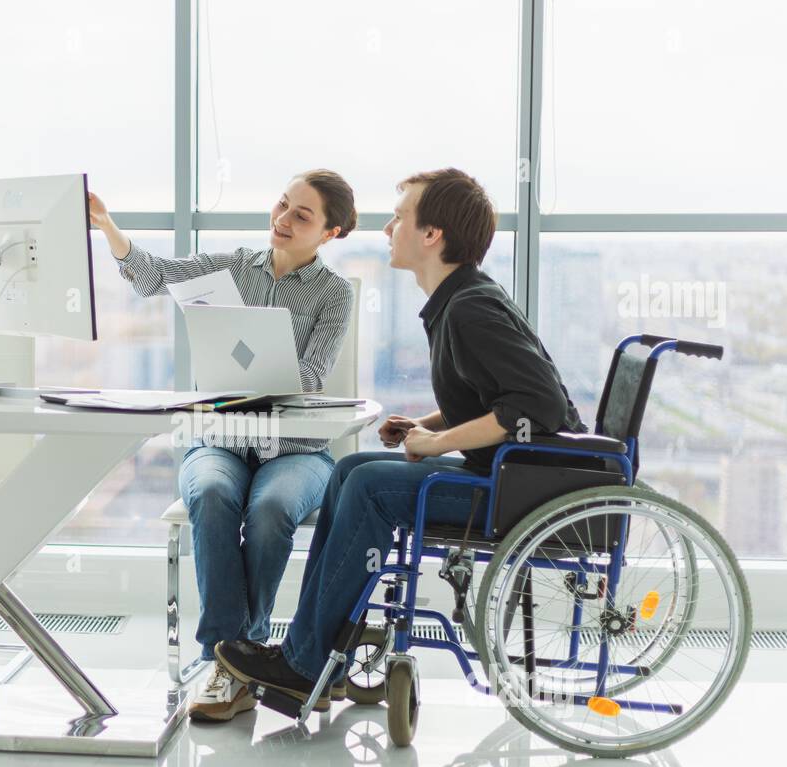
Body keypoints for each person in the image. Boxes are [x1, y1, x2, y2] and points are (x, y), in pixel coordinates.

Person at [213, 168, 586, 708]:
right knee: (349, 471)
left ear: (431, 235)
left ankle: (302, 663)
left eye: (399, 218)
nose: (388, 229)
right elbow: (493, 399)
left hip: (526, 490)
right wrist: (429, 426)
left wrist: (435, 445)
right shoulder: (460, 299)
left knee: (368, 487)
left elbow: (539, 407)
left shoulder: (470, 308)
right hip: (506, 474)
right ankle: (313, 654)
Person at [89, 170, 358, 722]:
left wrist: (254, 369)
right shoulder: (234, 266)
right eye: (282, 205)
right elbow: (152, 278)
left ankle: (234, 660)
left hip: (297, 448)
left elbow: (311, 375)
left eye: (302, 216)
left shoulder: (335, 293)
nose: (283, 220)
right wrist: (107, 226)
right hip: (221, 440)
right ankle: (234, 655)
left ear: (329, 233)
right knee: (211, 495)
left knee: (271, 508)